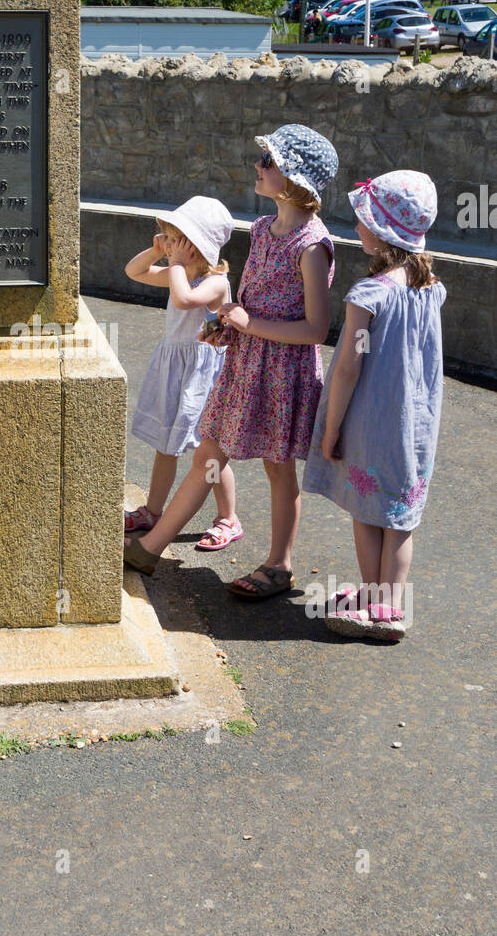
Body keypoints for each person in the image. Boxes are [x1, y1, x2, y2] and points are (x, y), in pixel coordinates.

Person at [124, 124, 338, 598]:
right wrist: (229, 326)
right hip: (245, 363)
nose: (258, 167)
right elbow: (249, 301)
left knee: (278, 467)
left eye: (269, 163)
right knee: (208, 453)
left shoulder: (312, 246)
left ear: (295, 179)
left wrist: (246, 321)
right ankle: (151, 547)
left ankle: (278, 566)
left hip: (282, 372)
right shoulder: (263, 229)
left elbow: (316, 331)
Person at [302, 171, 444, 642]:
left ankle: (375, 598)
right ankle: (386, 602)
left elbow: (347, 369)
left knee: (367, 510)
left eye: (363, 220)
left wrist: (331, 428)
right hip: (416, 423)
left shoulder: (370, 295)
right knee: (400, 513)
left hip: (369, 420)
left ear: (382, 232)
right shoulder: (429, 289)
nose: (356, 227)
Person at [123, 197, 240, 550]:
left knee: (208, 451)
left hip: (201, 373)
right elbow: (134, 271)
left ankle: (228, 518)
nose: (169, 243)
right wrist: (157, 253)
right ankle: (153, 511)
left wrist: (173, 264)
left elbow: (185, 300)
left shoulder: (215, 282)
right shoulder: (180, 273)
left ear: (196, 246)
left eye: (175, 238)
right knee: (166, 444)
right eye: (168, 237)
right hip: (175, 367)